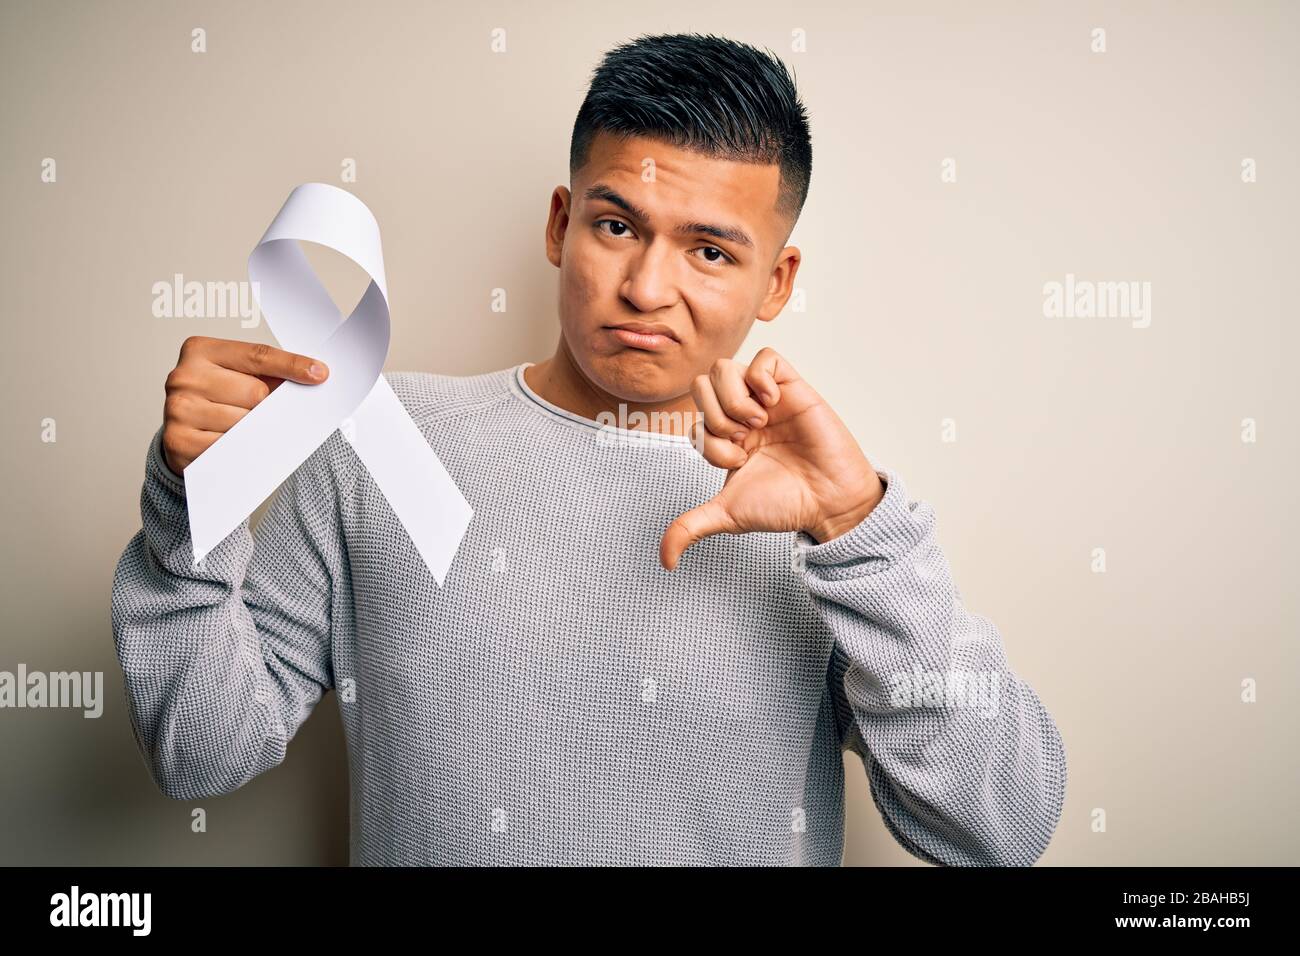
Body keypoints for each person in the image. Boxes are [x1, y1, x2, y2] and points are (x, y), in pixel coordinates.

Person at [111, 32, 1066, 866]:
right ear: (562, 226)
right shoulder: (375, 443)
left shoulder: (819, 511)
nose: (648, 288)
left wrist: (861, 533)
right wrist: (196, 500)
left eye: (711, 252)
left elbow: (1001, 830)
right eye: (617, 226)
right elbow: (203, 752)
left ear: (776, 282)